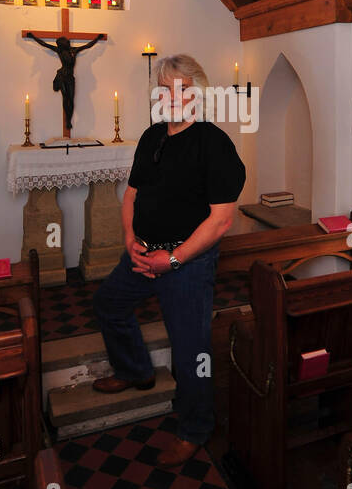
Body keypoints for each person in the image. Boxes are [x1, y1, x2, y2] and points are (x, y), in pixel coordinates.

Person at [93, 55, 246, 467]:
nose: (172, 96)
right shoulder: (151, 137)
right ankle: (135, 370)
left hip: (187, 263)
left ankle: (196, 428)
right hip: (144, 253)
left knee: (190, 348)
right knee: (108, 304)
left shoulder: (214, 144)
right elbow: (132, 195)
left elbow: (221, 220)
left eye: (181, 88)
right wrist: (130, 241)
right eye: (165, 88)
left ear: (198, 93)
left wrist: (173, 260)